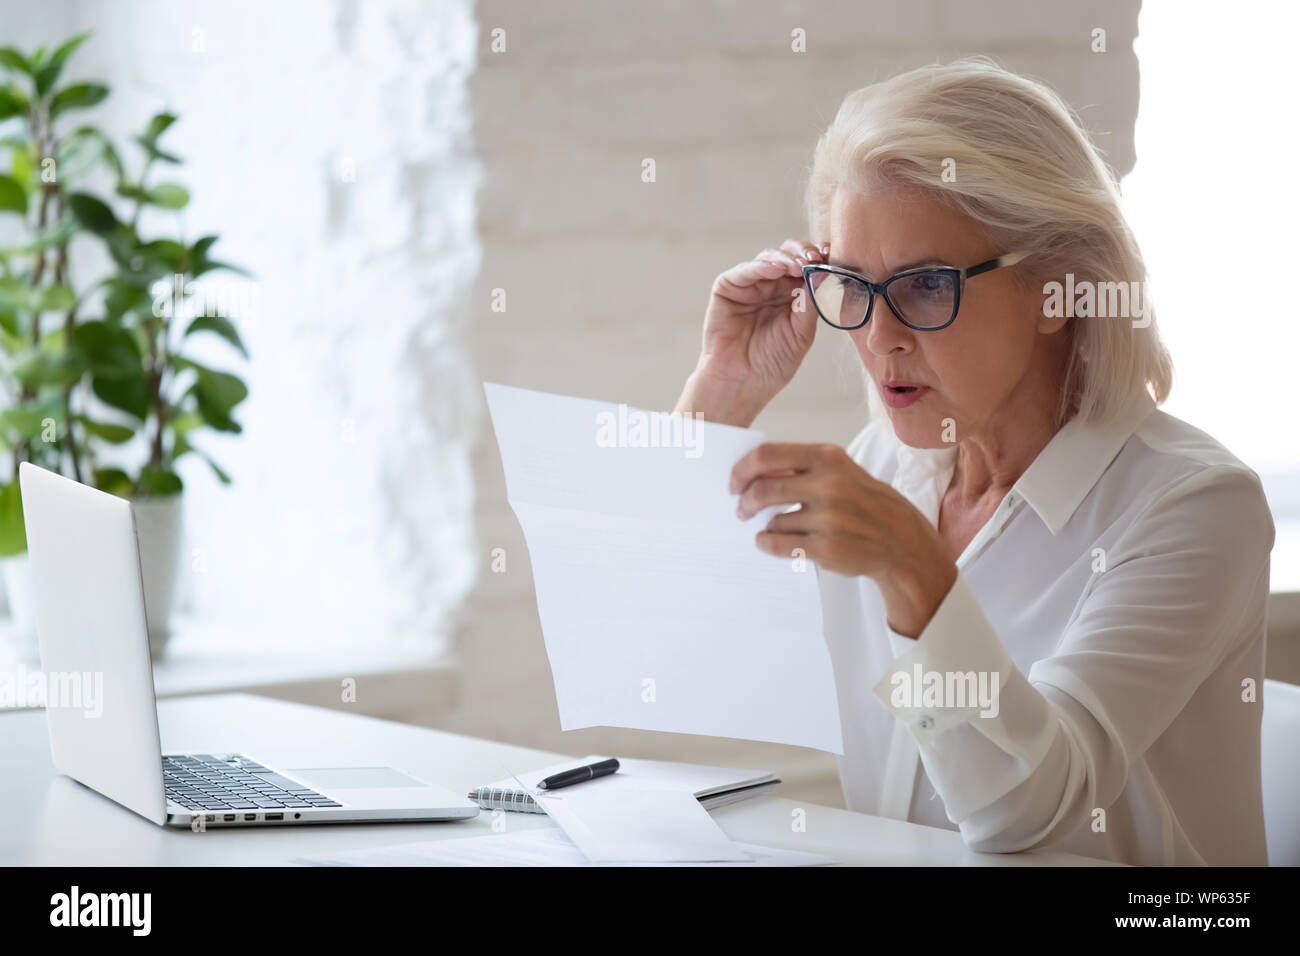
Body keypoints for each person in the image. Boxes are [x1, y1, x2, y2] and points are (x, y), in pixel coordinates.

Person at [673, 57, 1275, 866]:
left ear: (1058, 290)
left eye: (926, 284)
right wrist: (722, 392)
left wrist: (916, 572)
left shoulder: (1194, 506)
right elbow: (675, 650)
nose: (879, 337)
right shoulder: (887, 466)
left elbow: (1024, 816)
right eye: (852, 282)